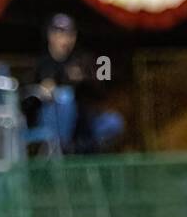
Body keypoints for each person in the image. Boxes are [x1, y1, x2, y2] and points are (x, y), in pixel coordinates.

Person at [29, 13, 124, 154]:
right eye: (59, 32)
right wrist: (45, 90)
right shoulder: (41, 64)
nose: (64, 39)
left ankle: (80, 152)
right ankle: (61, 152)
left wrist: (83, 80)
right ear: (50, 35)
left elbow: (101, 90)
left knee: (114, 122)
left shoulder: (82, 60)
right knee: (64, 97)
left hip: (83, 122)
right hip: (53, 123)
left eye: (69, 33)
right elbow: (29, 102)